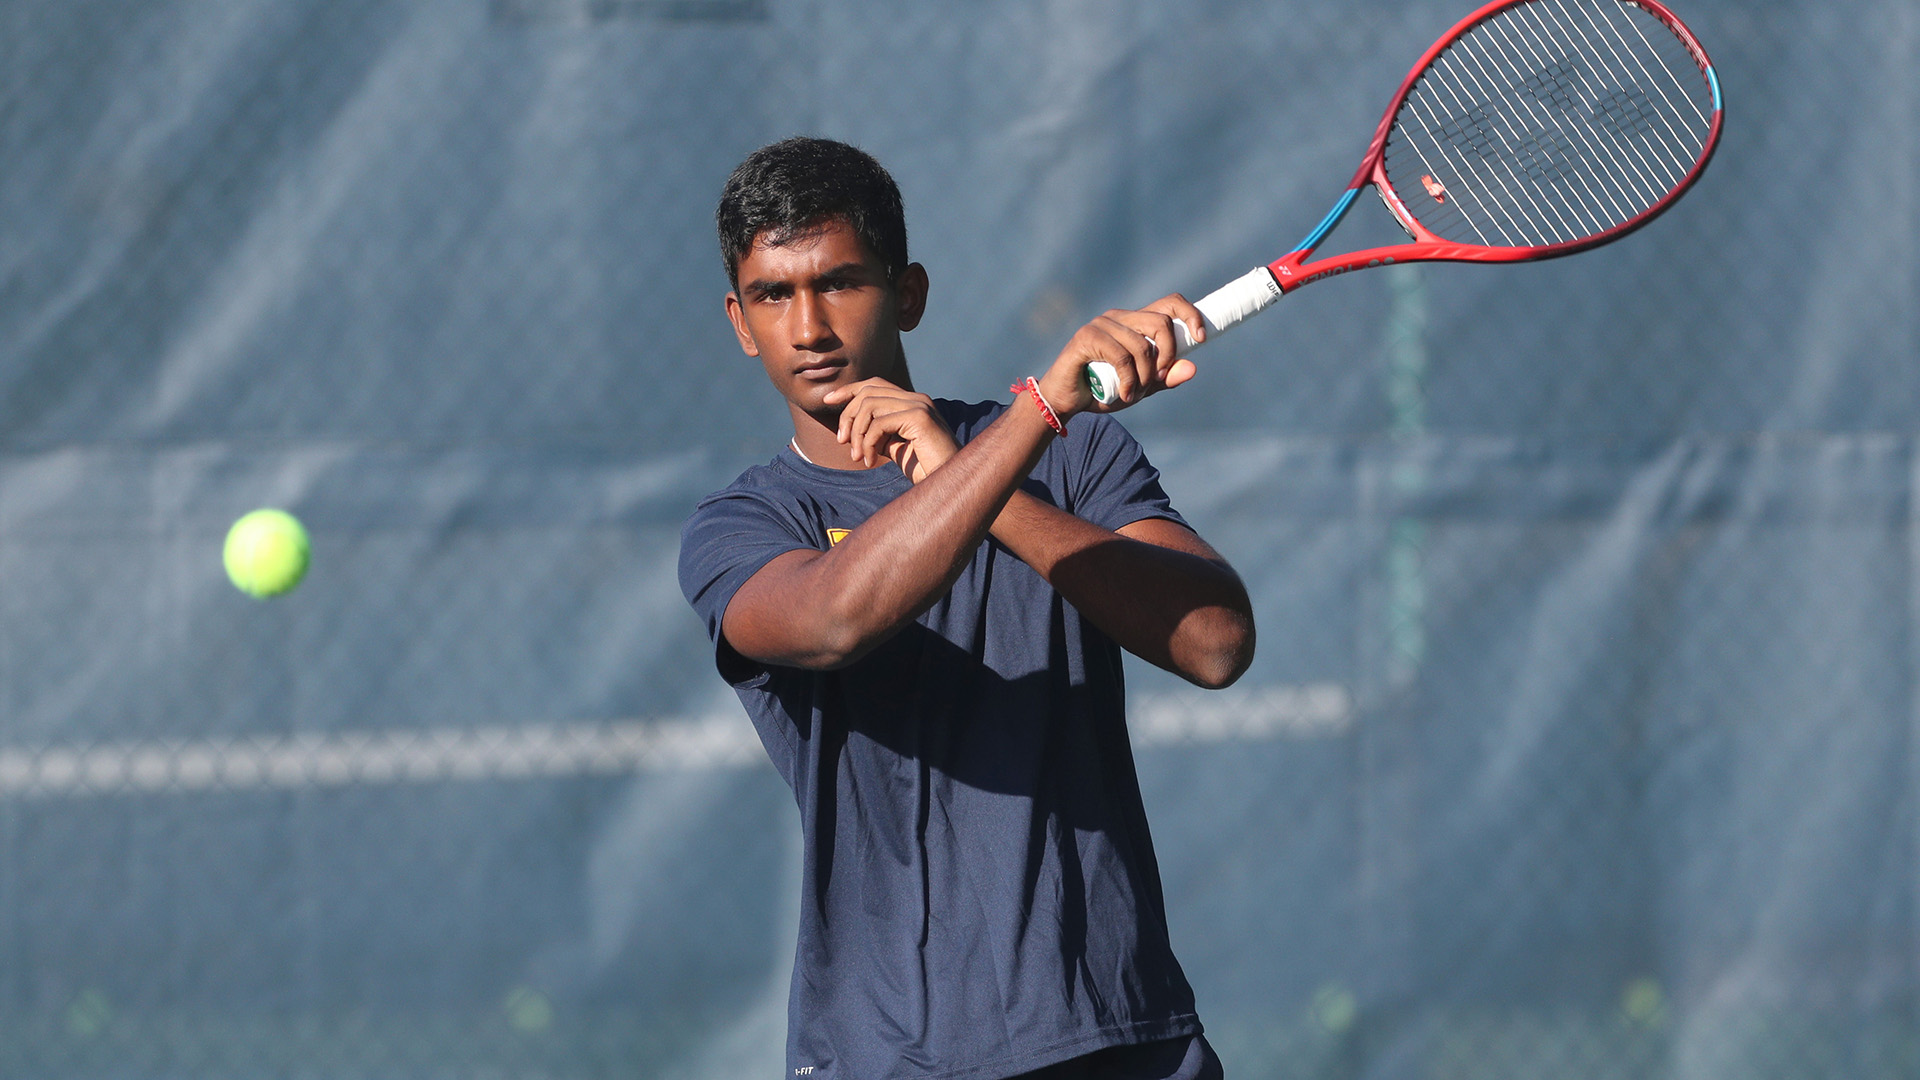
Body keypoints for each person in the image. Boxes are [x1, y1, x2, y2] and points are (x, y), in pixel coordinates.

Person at [678, 136, 1256, 1080]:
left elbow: (1216, 643)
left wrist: (967, 463)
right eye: (775, 296)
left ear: (908, 295)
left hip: (1126, 1038)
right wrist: (1035, 413)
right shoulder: (744, 524)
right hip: (889, 1054)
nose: (810, 325)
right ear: (742, 323)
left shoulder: (1074, 461)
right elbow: (834, 620)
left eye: (841, 283)